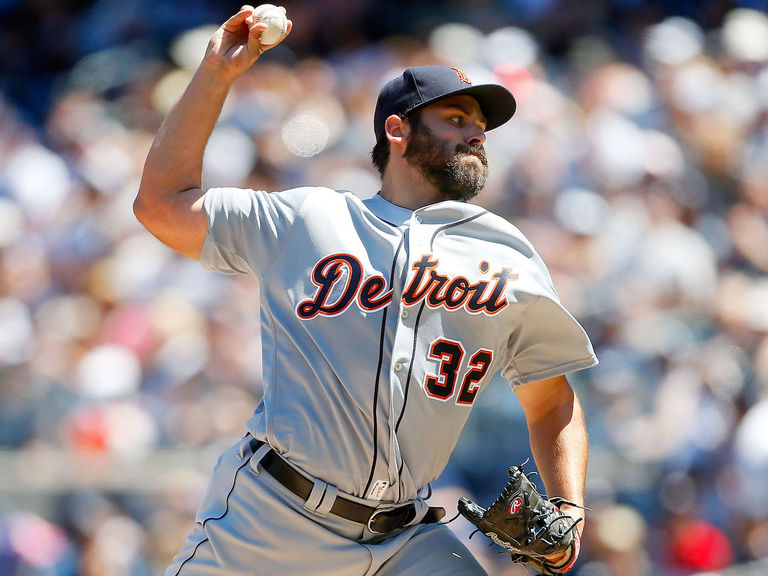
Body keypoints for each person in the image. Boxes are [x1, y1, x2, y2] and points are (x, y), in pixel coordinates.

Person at [134, 5, 598, 575]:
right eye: (456, 118)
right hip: (272, 518)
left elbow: (551, 400)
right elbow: (161, 204)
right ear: (397, 131)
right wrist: (216, 74)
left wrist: (569, 511)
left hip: (404, 538)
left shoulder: (507, 255)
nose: (476, 133)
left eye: (480, 125)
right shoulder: (310, 218)